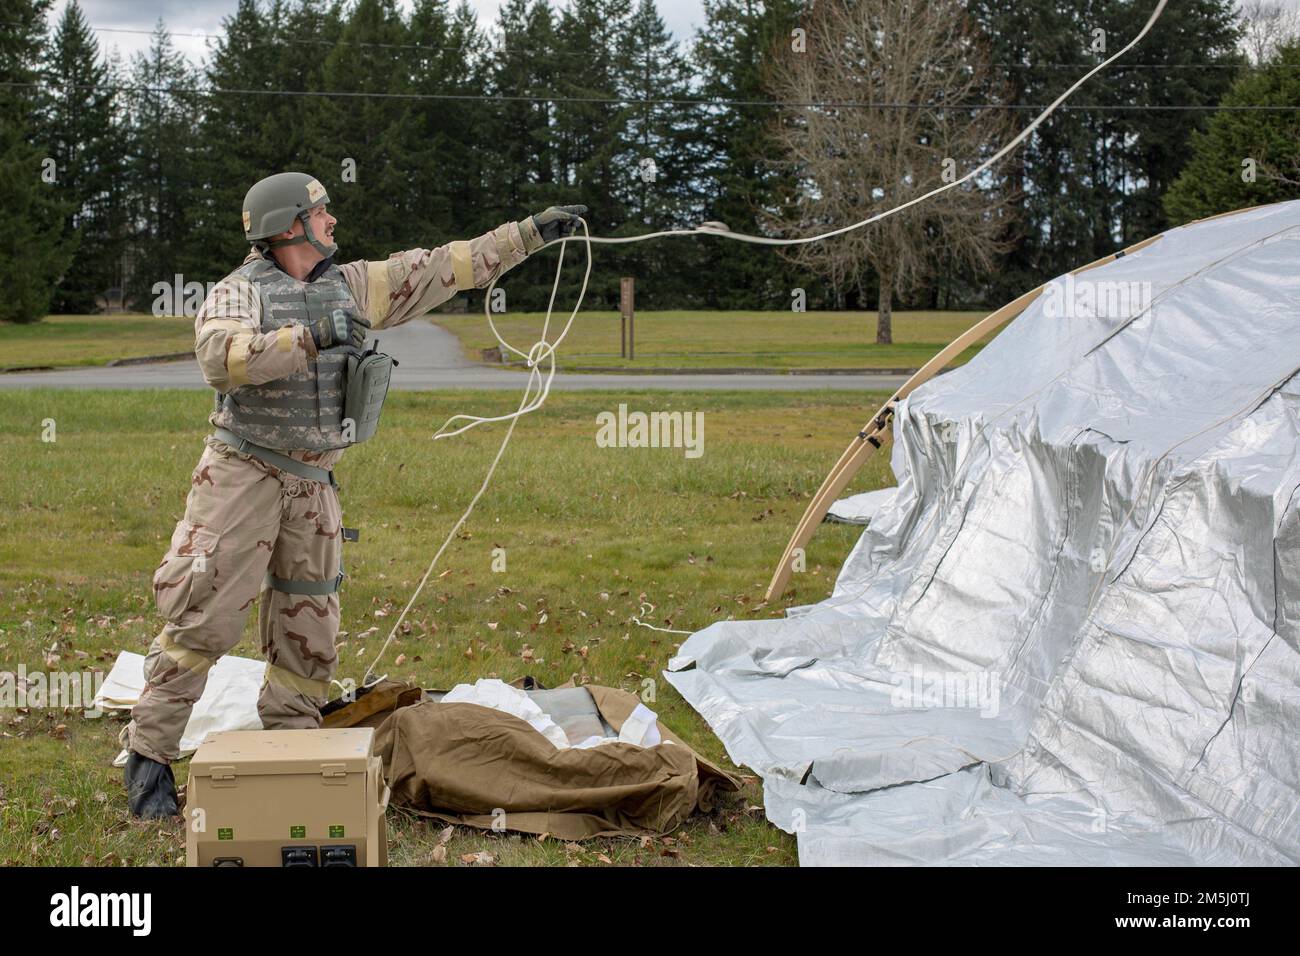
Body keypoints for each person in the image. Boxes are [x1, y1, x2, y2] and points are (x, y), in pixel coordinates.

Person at [121, 170, 585, 817]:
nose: (332, 220)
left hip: (315, 482)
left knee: (308, 627)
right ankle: (149, 760)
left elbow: (443, 268)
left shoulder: (353, 286)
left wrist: (529, 235)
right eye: (321, 211)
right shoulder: (238, 293)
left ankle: (293, 753)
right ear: (289, 226)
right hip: (241, 475)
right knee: (202, 617)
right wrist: (308, 338)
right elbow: (220, 358)